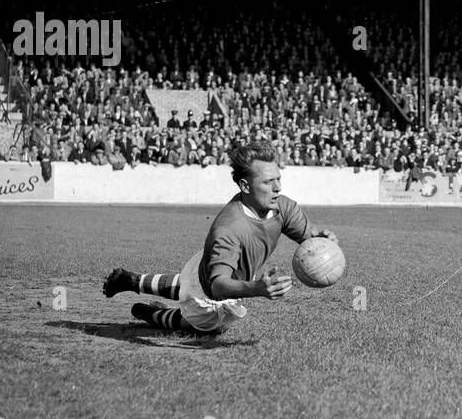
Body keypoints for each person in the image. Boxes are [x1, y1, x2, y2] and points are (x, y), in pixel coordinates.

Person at [102, 140, 337, 334]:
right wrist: (256, 288)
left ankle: (130, 280)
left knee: (187, 284)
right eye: (268, 182)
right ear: (245, 186)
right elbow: (217, 286)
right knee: (205, 327)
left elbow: (308, 235)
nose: (277, 188)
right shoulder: (229, 229)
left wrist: (321, 239)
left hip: (210, 265)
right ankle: (152, 314)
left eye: (278, 179)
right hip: (211, 292)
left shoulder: (282, 207)